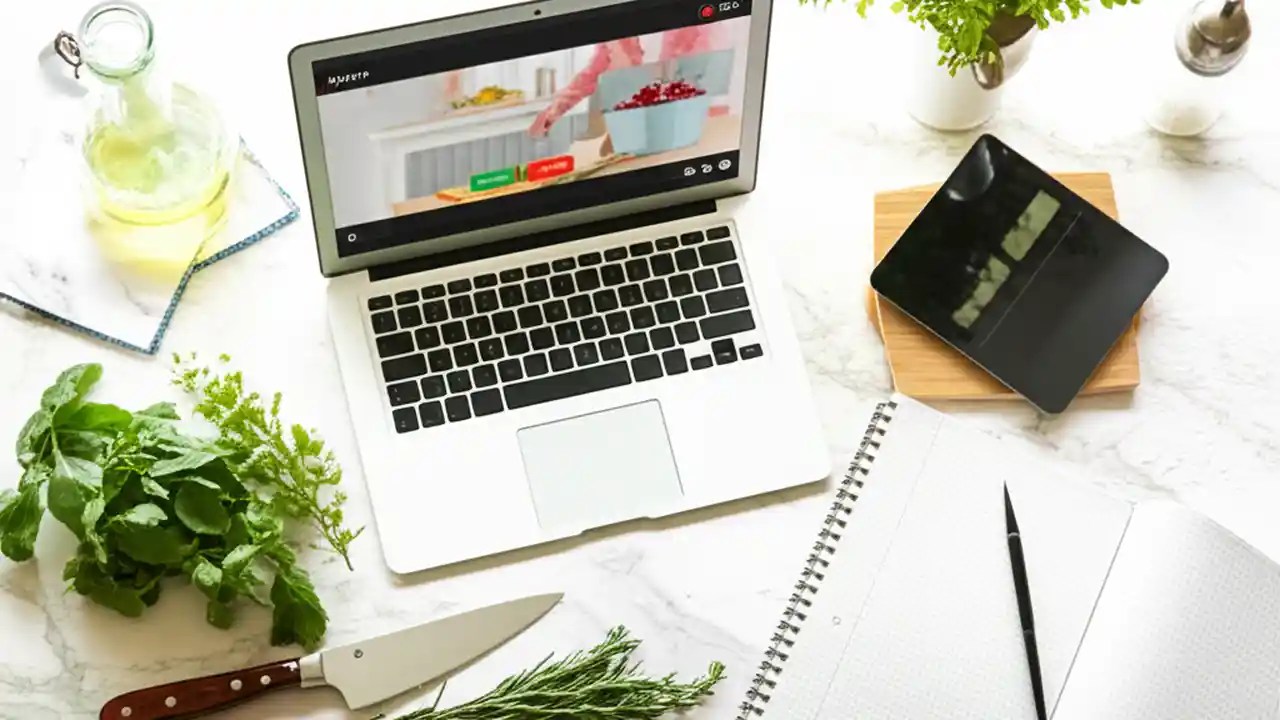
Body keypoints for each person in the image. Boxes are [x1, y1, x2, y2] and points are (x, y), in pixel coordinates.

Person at [527, 26, 726, 152]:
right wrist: (553, 113)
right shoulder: (617, 26)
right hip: (633, 136)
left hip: (691, 130)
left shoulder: (697, 20)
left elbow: (704, 71)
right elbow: (591, 74)